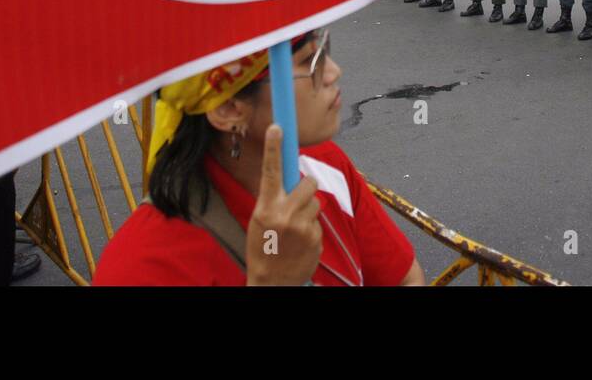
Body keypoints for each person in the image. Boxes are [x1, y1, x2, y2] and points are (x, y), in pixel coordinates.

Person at [94, 31, 424, 286]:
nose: (333, 72)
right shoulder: (140, 268)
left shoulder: (321, 164)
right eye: (310, 62)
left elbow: (405, 277)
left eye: (325, 46)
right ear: (228, 109)